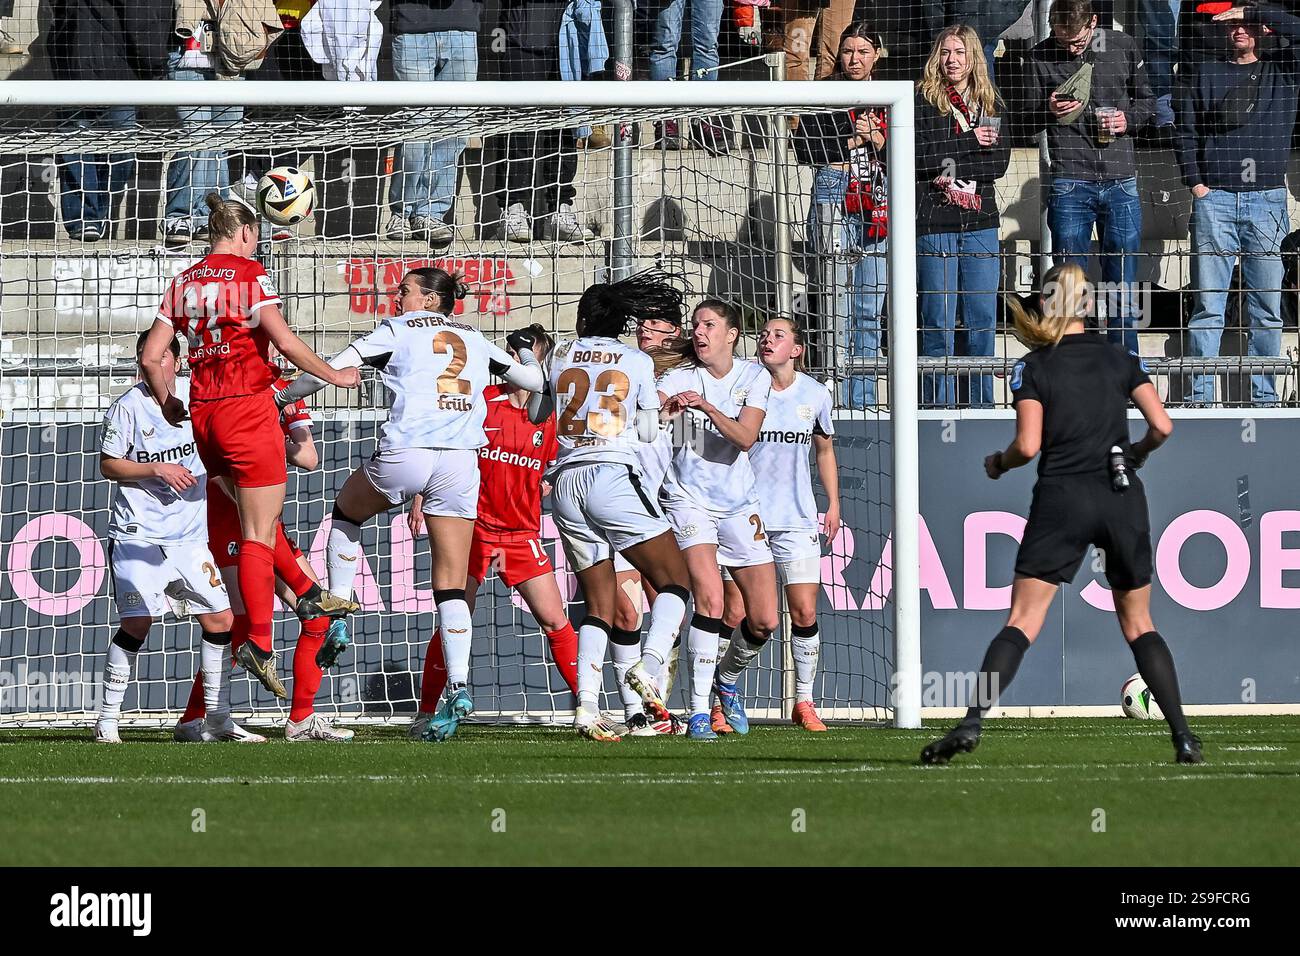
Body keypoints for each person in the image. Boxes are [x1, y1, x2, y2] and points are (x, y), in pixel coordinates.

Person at [921, 263, 1202, 766]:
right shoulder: (1119, 358)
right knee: (1139, 623)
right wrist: (1134, 454)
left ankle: (971, 722)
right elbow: (1162, 425)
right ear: (1088, 305)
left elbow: (1027, 446)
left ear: (1045, 305)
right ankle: (1183, 737)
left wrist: (998, 463)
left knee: (1023, 619)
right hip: (1120, 494)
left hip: (1062, 497)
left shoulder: (1035, 366)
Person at [275, 267, 547, 742]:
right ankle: (460, 687)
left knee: (346, 513)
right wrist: (523, 348)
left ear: (431, 300)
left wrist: (281, 395)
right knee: (451, 584)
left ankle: (338, 614)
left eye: (405, 291)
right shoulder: (475, 337)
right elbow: (536, 381)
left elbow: (329, 370)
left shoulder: (396, 330)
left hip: (409, 451)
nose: (396, 297)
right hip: (462, 462)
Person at [142, 193, 362, 703]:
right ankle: (260, 643)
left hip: (203, 416)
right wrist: (334, 375)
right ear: (243, 232)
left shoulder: (181, 283)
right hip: (248, 408)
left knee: (254, 516)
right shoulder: (250, 275)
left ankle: (307, 596)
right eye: (256, 233)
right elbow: (283, 342)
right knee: (259, 531)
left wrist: (168, 402)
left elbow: (154, 356)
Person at [406, 324, 580, 739]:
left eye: (528, 354)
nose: (518, 361)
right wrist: (419, 498)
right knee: (454, 617)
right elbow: (444, 445)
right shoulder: (484, 401)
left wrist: (548, 478)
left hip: (521, 533)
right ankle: (425, 712)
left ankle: (586, 704)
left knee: (555, 620)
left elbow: (559, 462)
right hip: (472, 529)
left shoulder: (554, 416)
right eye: (514, 353)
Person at [545, 270, 694, 742]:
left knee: (599, 605)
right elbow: (648, 433)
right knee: (675, 580)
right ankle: (649, 668)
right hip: (612, 474)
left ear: (584, 318)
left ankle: (587, 707)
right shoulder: (636, 360)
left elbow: (537, 411)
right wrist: (658, 416)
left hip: (566, 482)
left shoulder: (562, 354)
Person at [175, 370, 354, 742]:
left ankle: (301, 719)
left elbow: (307, 457)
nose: (270, 351)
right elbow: (215, 455)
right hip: (230, 518)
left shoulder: (283, 392)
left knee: (317, 618)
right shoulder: (222, 389)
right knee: (239, 627)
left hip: (268, 520)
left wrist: (267, 438)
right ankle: (194, 720)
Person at [94, 331, 253, 744]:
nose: (152, 364)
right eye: (146, 357)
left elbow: (218, 456)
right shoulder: (128, 407)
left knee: (221, 619)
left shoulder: (197, 402)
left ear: (178, 363)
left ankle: (215, 719)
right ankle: (108, 721)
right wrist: (156, 470)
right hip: (138, 534)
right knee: (137, 622)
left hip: (188, 538)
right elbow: (109, 465)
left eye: (162, 356)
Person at [657, 299, 779, 741]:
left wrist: (705, 407)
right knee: (708, 602)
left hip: (738, 504)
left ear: (731, 334)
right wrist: (659, 412)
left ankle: (726, 681)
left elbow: (745, 438)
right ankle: (696, 713)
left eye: (709, 324)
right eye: (695, 325)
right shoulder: (678, 377)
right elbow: (649, 415)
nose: (700, 331)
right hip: (688, 501)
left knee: (764, 619)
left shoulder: (753, 376)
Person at [1175, 3, 1300, 406]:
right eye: (1232, 25)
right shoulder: (1204, 71)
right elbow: (1187, 130)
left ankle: (1264, 398)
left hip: (1267, 199)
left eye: (1247, 25)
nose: (1239, 31)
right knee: (1208, 305)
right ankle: (1200, 398)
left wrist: (1254, 10)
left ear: (1261, 28)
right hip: (1217, 199)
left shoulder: (1283, 69)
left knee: (1267, 306)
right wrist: (1196, 184)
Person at [720, 318, 840, 733]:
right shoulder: (743, 387)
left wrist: (833, 503)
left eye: (779, 335)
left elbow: (824, 450)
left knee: (804, 609)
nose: (767, 340)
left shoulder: (816, 394)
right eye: (764, 334)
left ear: (797, 350)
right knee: (739, 611)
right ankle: (724, 689)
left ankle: (804, 701)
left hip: (797, 518)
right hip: (744, 516)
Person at [1026, 0, 1155, 354]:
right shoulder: (1039, 56)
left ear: (1094, 22)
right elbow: (1022, 119)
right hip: (1070, 181)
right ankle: (1068, 361)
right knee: (1068, 281)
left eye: (1077, 41)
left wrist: (1127, 120)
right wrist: (1047, 110)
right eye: (1062, 39)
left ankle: (1125, 365)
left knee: (1123, 284)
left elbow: (1148, 102)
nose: (1069, 48)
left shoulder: (1123, 46)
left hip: (1121, 180)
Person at [793, 22, 889, 410]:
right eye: (848, 51)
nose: (854, 59)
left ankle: (862, 401)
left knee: (870, 306)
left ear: (876, 55)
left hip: (877, 201)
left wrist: (879, 140)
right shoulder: (824, 94)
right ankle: (834, 400)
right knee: (836, 304)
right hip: (834, 191)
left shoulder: (889, 94)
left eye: (863, 51)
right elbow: (803, 148)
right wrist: (853, 139)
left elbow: (913, 153)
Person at [915, 24, 1011, 408]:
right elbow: (919, 158)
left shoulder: (991, 104)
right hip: (934, 221)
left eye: (959, 52)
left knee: (982, 320)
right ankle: (934, 407)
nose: (952, 60)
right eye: (945, 52)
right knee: (937, 318)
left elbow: (998, 165)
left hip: (980, 222)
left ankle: (979, 407)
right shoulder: (923, 101)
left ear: (974, 57)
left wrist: (950, 160)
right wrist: (971, 143)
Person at [608, 309, 686, 736]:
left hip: (662, 509)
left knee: (667, 602)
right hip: (616, 502)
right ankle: (634, 712)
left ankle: (660, 703)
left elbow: (686, 450)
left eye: (656, 325)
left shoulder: (685, 383)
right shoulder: (618, 370)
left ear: (676, 333)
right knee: (625, 610)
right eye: (642, 324)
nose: (645, 330)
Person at [385, 0, 482, 247]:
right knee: (416, 128)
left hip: (463, 27)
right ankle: (401, 213)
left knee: (453, 130)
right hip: (412, 27)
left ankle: (431, 213)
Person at [496, 0, 592, 243]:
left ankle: (560, 209)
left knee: (563, 128)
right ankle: (513, 208)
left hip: (565, 34)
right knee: (519, 126)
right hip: (520, 38)